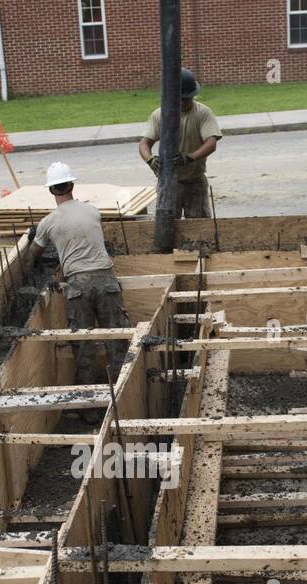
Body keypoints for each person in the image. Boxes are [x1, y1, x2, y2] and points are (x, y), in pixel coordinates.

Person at [29, 161, 130, 380]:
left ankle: (88, 396)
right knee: (117, 339)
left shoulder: (48, 222)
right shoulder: (93, 212)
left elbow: (34, 253)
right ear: (72, 185)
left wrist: (34, 244)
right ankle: (123, 386)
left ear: (51, 190)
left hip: (78, 285)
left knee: (83, 345)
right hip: (106, 279)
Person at [138, 68, 222, 218]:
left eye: (186, 99)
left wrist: (189, 157)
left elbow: (211, 143)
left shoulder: (203, 113)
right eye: (179, 99)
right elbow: (144, 143)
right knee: (167, 224)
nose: (182, 102)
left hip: (195, 181)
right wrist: (149, 159)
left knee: (199, 226)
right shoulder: (160, 115)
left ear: (193, 95)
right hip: (169, 182)